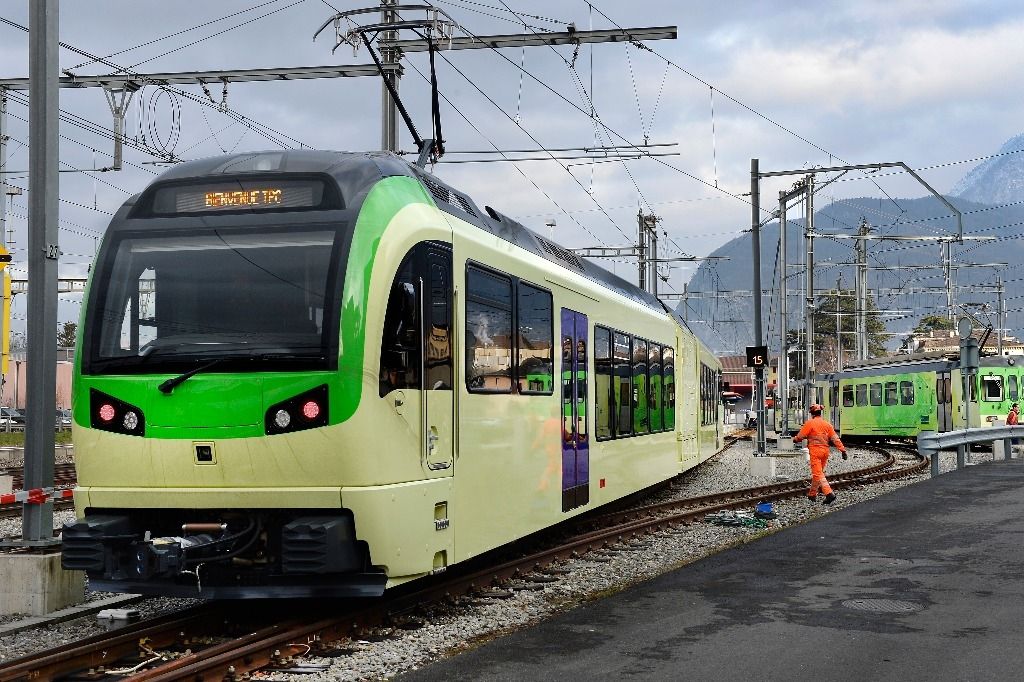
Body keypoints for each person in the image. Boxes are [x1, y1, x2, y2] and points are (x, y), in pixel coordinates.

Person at [793, 404, 847, 505]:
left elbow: (800, 436)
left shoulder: (810, 423)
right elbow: (835, 438)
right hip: (825, 452)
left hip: (815, 452)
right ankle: (812, 494)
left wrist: (795, 439)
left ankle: (829, 494)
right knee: (818, 473)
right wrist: (842, 450)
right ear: (820, 413)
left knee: (818, 473)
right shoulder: (827, 424)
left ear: (812, 414)